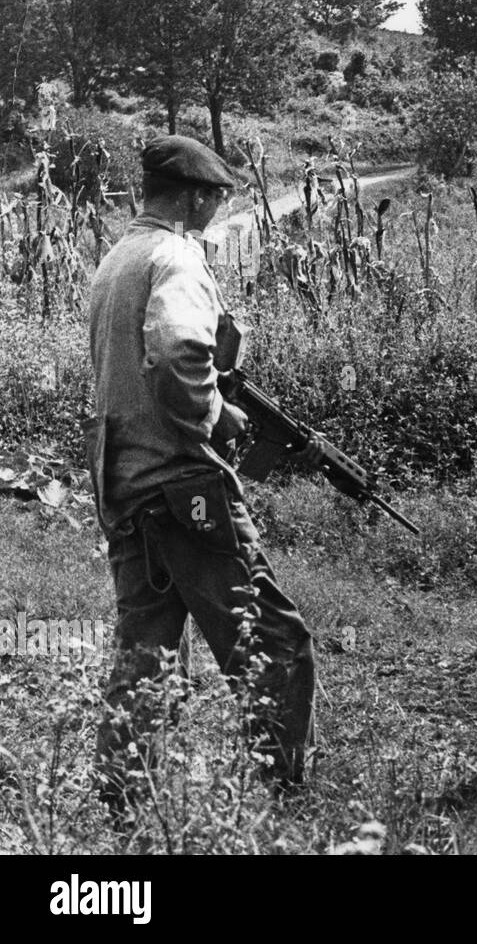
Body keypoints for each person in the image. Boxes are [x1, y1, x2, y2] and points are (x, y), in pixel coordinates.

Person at [85, 135, 320, 817]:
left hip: (123, 483)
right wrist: (217, 416)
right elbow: (182, 349)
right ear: (194, 196)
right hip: (183, 485)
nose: (219, 211)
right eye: (217, 199)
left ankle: (122, 798)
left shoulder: (118, 260)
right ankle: (285, 796)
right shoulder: (176, 254)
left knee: (147, 653)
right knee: (275, 640)